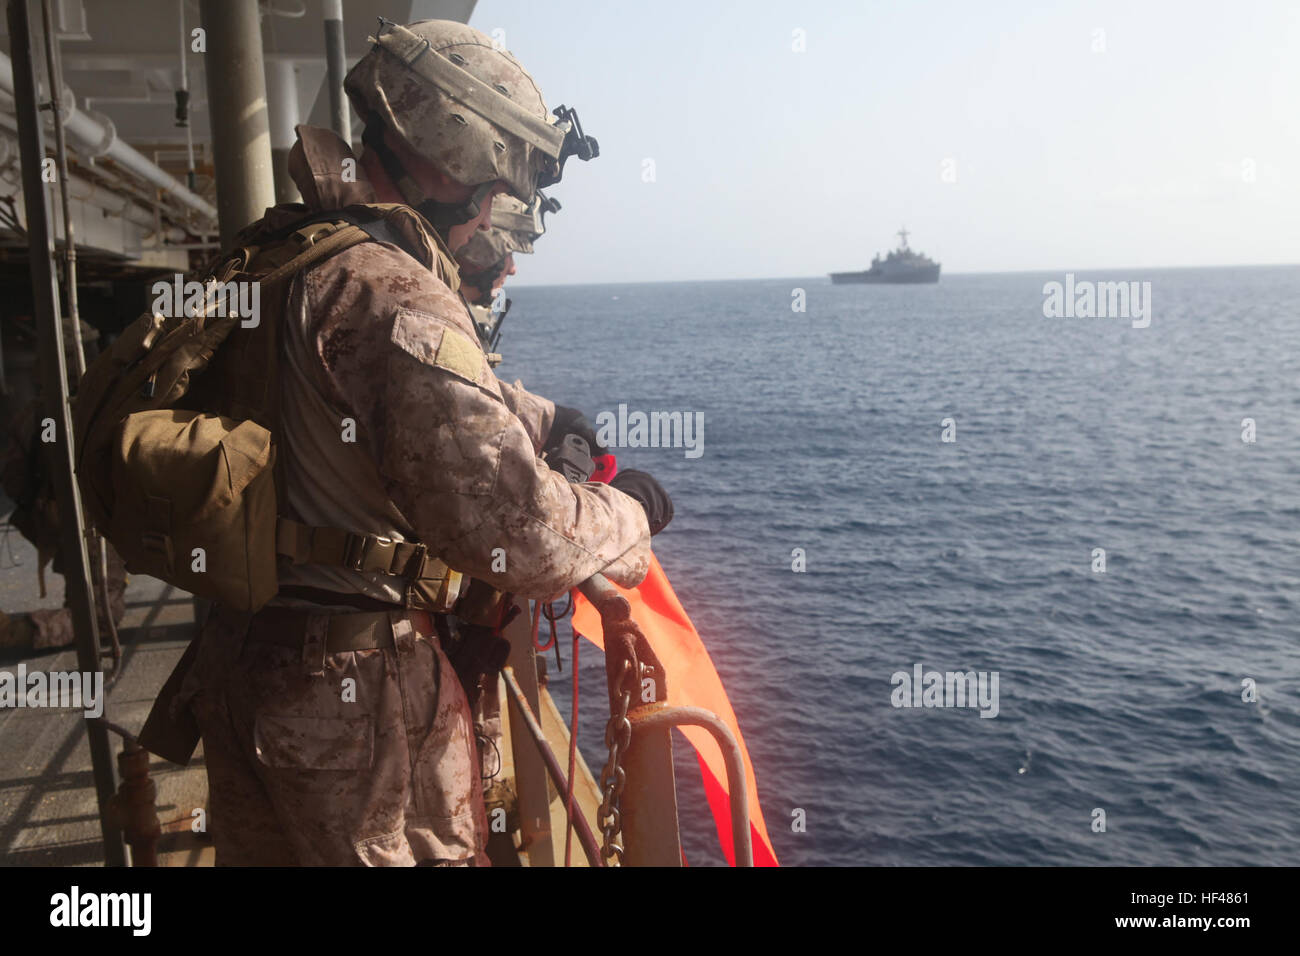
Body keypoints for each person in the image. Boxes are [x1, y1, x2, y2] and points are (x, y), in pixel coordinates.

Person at [167, 19, 672, 866]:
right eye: (490, 186)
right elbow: (524, 536)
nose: (484, 220)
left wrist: (546, 418)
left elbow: (376, 388)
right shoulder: (390, 288)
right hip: (349, 702)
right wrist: (628, 513)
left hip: (247, 658)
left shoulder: (290, 254)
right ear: (450, 155)